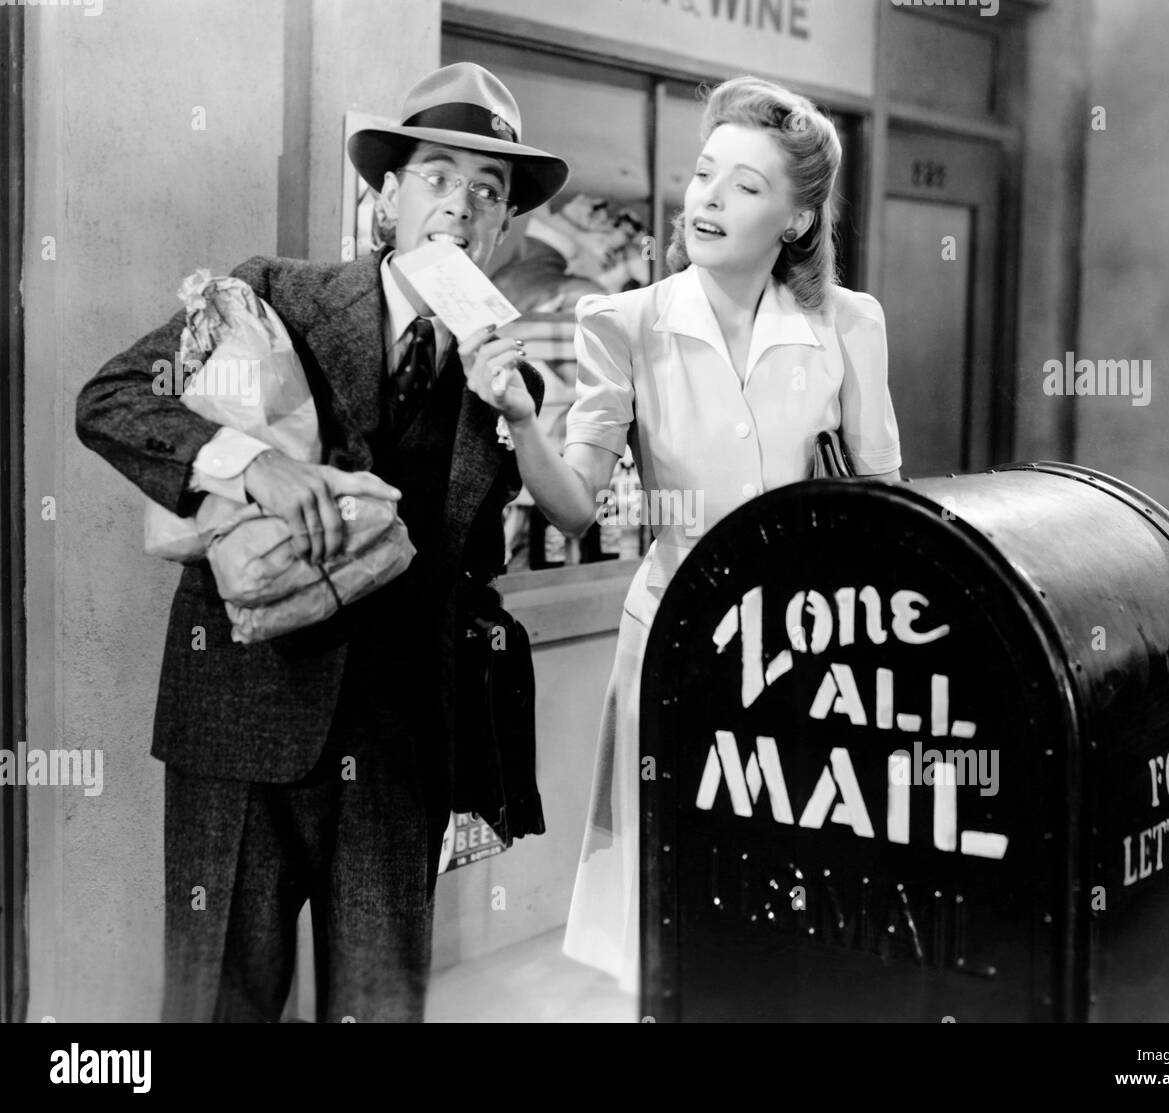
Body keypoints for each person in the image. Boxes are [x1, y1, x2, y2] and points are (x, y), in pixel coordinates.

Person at [75, 62, 569, 1022]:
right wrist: (248, 464)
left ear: (505, 225)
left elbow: (479, 569)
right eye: (435, 175)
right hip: (240, 724)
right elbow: (111, 402)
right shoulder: (273, 295)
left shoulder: (511, 385)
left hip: (398, 753)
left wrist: (512, 418)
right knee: (221, 1002)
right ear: (386, 198)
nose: (459, 208)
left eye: (487, 191)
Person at [462, 75, 902, 995]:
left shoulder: (849, 324)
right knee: (674, 902)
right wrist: (521, 421)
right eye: (705, 175)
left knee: (796, 904)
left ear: (795, 219)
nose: (708, 198)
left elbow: (880, 505)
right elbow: (576, 506)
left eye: (745, 186)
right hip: (678, 647)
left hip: (811, 658)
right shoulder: (623, 323)